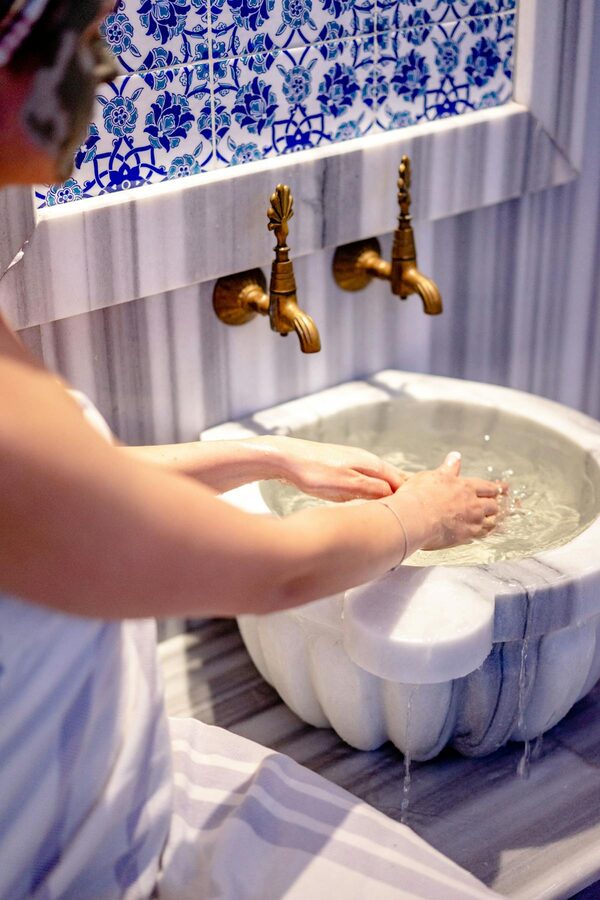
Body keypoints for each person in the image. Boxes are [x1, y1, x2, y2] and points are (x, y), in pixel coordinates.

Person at [0, 3, 505, 897]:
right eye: (86, 37)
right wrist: (420, 513)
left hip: (118, 792)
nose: (105, 70)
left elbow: (82, 497)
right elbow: (275, 575)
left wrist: (274, 458)